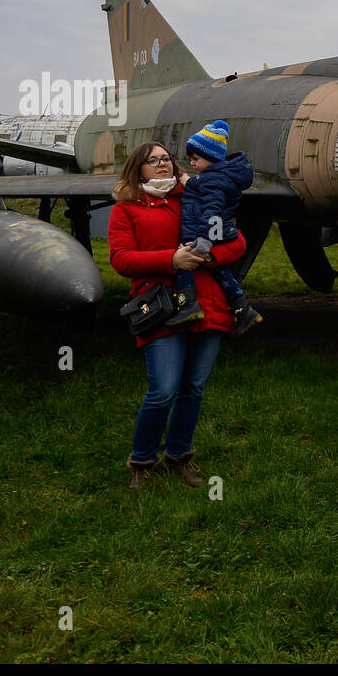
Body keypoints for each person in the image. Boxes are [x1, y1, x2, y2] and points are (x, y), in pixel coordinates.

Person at [108, 141, 248, 490]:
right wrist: (171, 260)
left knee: (193, 388)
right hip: (161, 305)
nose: (161, 164)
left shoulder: (196, 193)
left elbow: (237, 241)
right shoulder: (127, 209)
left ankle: (178, 456)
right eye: (152, 161)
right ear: (137, 168)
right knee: (163, 389)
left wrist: (210, 258)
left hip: (209, 302)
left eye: (166, 159)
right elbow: (121, 259)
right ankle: (142, 460)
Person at [166, 120, 262, 336]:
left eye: (196, 159)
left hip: (206, 234)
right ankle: (243, 309)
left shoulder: (213, 181)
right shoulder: (214, 178)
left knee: (184, 263)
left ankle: (187, 305)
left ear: (211, 158)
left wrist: (204, 239)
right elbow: (197, 187)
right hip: (216, 233)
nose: (192, 163)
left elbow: (212, 210)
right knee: (219, 270)